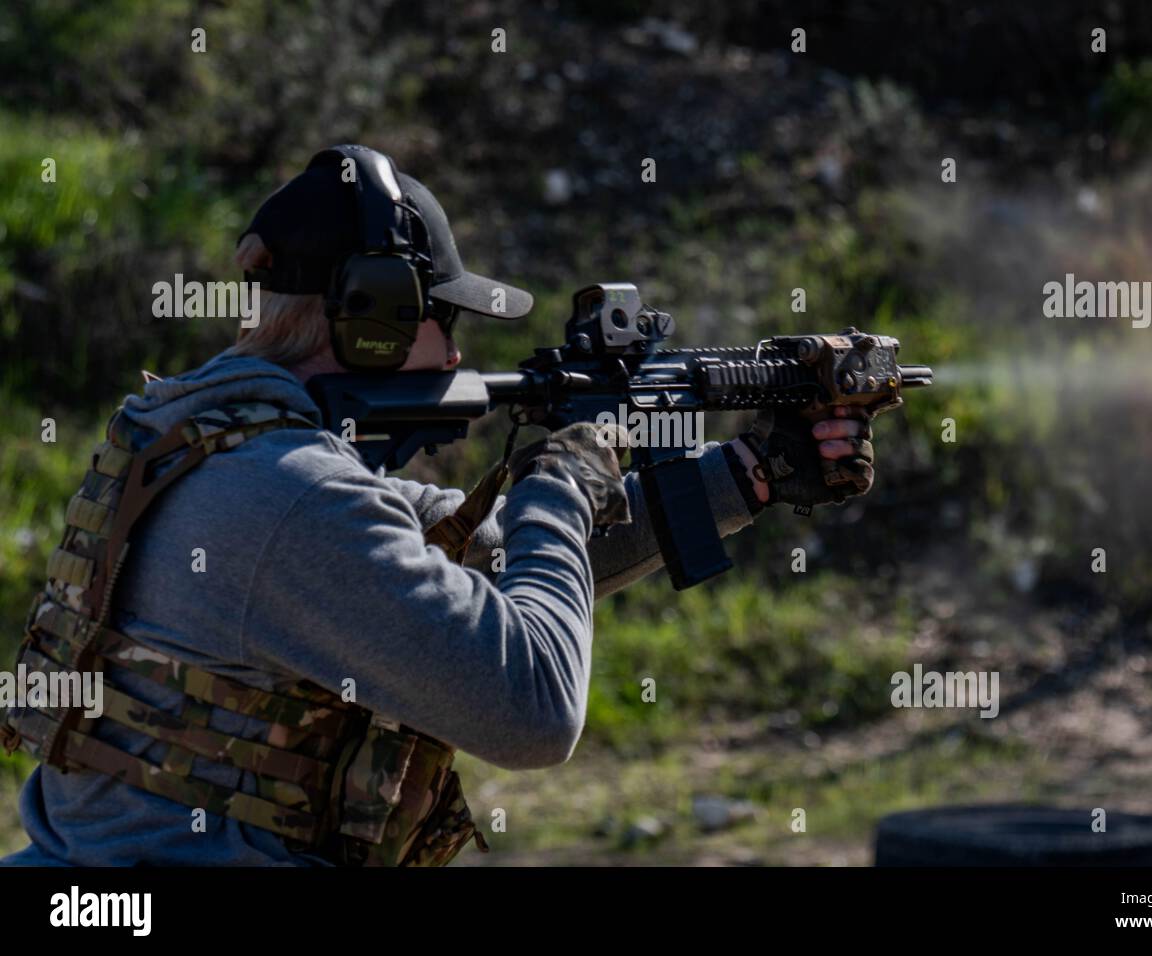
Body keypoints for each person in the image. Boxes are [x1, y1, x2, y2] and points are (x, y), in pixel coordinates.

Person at [1, 145, 873, 866]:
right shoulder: (295, 498)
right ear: (369, 316)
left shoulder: (200, 436)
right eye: (440, 320)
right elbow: (532, 710)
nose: (457, 350)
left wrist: (752, 474)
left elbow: (501, 564)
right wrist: (562, 485)